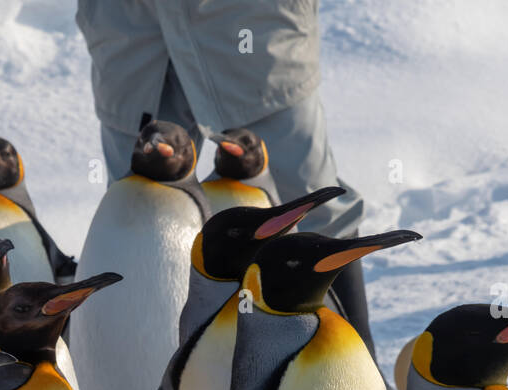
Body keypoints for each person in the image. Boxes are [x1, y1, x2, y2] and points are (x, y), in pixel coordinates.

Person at [75, 0, 380, 367]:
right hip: (128, 20)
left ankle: (357, 376)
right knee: (138, 216)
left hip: (246, 17)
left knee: (305, 204)